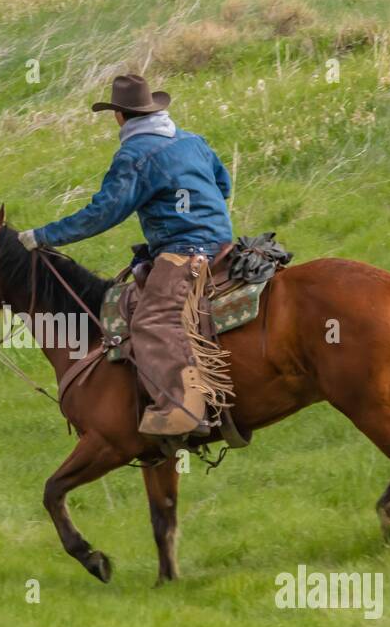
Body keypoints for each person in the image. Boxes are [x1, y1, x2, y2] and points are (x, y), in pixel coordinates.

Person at [18, 74, 234, 436]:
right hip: (223, 242)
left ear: (119, 115)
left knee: (152, 321)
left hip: (184, 251)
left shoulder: (135, 155)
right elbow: (223, 184)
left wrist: (43, 236)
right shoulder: (191, 140)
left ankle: (185, 409)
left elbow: (102, 213)